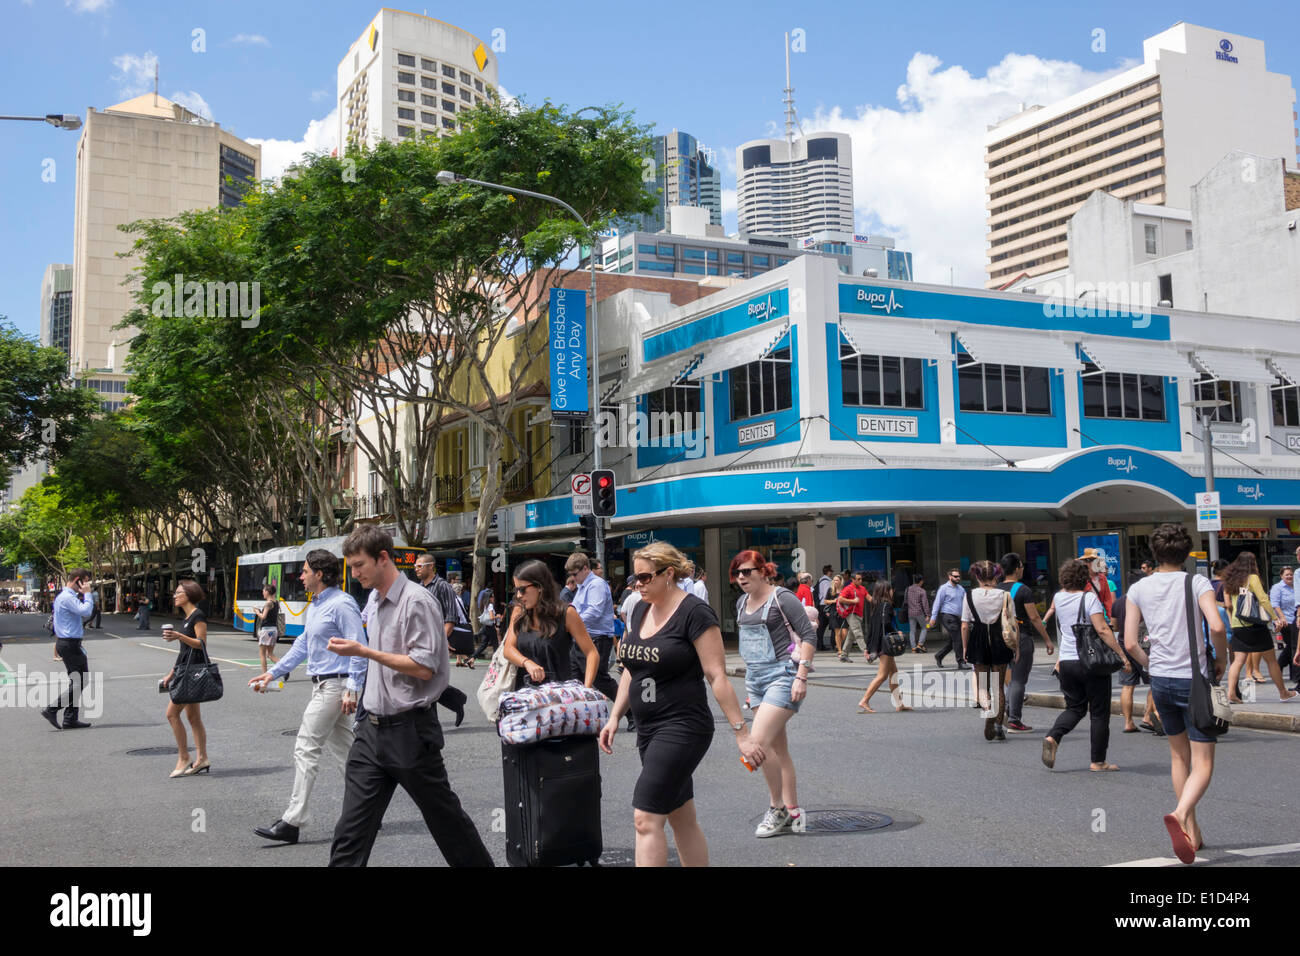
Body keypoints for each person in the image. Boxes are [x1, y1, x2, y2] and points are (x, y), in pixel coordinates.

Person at [325, 525, 493, 868]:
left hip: (410, 732)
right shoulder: (373, 599)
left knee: (447, 822)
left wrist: (365, 652)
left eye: (359, 565)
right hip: (370, 731)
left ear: (383, 558)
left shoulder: (418, 601)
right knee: (351, 830)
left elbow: (424, 667)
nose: (354, 574)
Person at [598, 542, 764, 866]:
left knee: (645, 818)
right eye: (635, 578)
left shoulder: (694, 613)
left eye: (646, 577)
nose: (638, 584)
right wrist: (615, 715)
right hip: (648, 730)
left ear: (668, 574)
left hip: (683, 728)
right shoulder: (640, 608)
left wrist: (742, 734)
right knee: (681, 818)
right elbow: (633, 668)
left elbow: (716, 676)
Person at [1124, 523, 1229, 863]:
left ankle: (1192, 832)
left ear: (1154, 554)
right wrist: (1221, 662)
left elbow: (1129, 642)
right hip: (1193, 680)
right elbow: (1216, 626)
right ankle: (1181, 814)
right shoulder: (1196, 582)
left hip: (1161, 680)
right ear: (1186, 553)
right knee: (1204, 762)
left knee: (1178, 757)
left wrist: (1151, 664)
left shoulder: (1139, 588)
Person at [248, 550, 368, 845]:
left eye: (304, 571)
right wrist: (272, 674)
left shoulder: (342, 604)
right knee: (348, 756)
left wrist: (353, 688)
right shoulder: (316, 605)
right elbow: (302, 645)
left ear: (320, 573)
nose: (300, 576)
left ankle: (293, 821)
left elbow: (359, 646)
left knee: (306, 747)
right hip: (325, 686)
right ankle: (366, 813)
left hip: (335, 687)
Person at [730, 550, 817, 836]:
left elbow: (808, 635)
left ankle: (776, 808)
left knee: (758, 744)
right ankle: (792, 810)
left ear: (764, 571)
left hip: (783, 674)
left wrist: (801, 677)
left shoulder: (783, 598)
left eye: (748, 571)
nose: (742, 577)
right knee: (779, 749)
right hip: (755, 678)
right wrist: (750, 686)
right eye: (738, 573)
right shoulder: (741, 603)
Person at [1041, 559, 1130, 772]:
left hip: (1067, 662)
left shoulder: (1058, 597)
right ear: (1083, 579)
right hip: (1090, 662)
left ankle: (1054, 736)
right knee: (1099, 712)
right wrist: (1121, 655)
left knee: (1075, 707)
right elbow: (1102, 630)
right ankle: (1098, 761)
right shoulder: (1089, 598)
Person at [502, 559, 600, 690]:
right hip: (524, 698)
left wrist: (586, 688)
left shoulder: (567, 613)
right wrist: (527, 663)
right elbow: (508, 649)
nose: (519, 595)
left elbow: (592, 652)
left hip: (558, 697)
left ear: (540, 587)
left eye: (522, 589)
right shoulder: (519, 611)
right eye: (516, 590)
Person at [1222, 552, 1296, 704]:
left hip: (1238, 624)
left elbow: (1230, 603)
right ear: (1252, 564)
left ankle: (1231, 693)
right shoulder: (1252, 578)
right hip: (1254, 624)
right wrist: (1275, 618)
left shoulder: (1232, 580)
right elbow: (1262, 599)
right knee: (1271, 661)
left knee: (1238, 661)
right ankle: (1283, 692)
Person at [958, 561, 1016, 740]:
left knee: (983, 684)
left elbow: (965, 625)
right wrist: (1017, 647)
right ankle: (999, 726)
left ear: (977, 576)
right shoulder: (1005, 595)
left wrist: (965, 647)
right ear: (996, 576)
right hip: (1000, 639)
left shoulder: (969, 595)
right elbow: (1012, 622)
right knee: (999, 686)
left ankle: (988, 710)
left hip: (978, 638)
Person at [160, 580, 212, 777]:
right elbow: (184, 652)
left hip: (193, 674)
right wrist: (172, 673)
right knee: (193, 718)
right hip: (186, 671)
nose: (174, 596)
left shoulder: (198, 616)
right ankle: (202, 758)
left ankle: (184, 757)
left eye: (178, 593)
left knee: (171, 714)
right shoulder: (187, 618)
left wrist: (179, 636)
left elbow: (201, 644)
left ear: (188, 595)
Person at [999, 553, 1055, 733]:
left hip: (1000, 638)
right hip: (1020, 637)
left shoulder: (996, 589)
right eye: (1021, 566)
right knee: (1018, 680)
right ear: (1016, 569)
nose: (1022, 569)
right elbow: (1034, 617)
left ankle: (1004, 715)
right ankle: (1014, 720)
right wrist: (1047, 639)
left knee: (1004, 678)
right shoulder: (1023, 590)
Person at [412, 555, 470, 726]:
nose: (416, 569)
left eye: (420, 566)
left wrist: (440, 641)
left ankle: (431, 722)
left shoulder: (442, 586)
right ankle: (456, 700)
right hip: (421, 639)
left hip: (435, 640)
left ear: (431, 567)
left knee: (426, 679)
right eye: (415, 566)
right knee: (425, 679)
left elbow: (451, 617)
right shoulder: (418, 588)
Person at [40, 568, 96, 731]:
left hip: (70, 643)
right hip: (69, 644)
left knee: (77, 681)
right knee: (81, 681)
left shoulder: (67, 597)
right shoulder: (66, 597)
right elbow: (86, 611)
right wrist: (88, 594)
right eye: (84, 581)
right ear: (77, 579)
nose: (86, 585)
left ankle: (70, 719)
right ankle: (52, 709)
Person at [564, 551, 620, 702]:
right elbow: (574, 610)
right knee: (575, 679)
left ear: (585, 569)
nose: (573, 579)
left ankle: (631, 712)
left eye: (575, 574)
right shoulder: (582, 586)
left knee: (598, 679)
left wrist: (573, 624)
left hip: (597, 638)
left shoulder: (596, 585)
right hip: (583, 638)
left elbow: (594, 611)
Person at [1113, 573, 1163, 736]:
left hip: (1123, 647)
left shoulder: (1118, 602)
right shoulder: (1144, 601)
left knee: (1128, 686)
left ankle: (1128, 722)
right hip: (1143, 647)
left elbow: (1115, 626)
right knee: (1154, 684)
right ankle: (1149, 716)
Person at [856, 581, 910, 713]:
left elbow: (873, 628)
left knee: (893, 674)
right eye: (891, 589)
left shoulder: (876, 605)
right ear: (887, 591)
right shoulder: (887, 605)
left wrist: (868, 647)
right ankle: (864, 700)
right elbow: (886, 623)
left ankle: (899, 704)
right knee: (882, 676)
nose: (893, 591)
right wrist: (897, 632)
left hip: (881, 644)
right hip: (886, 645)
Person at [930, 568, 970, 669]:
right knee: (958, 638)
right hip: (947, 616)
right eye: (955, 576)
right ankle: (961, 662)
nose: (958, 578)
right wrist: (933, 617)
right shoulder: (944, 588)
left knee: (953, 640)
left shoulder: (961, 589)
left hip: (958, 617)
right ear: (950, 577)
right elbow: (937, 603)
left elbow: (966, 603)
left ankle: (939, 655)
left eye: (959, 576)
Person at [1268, 567, 1297, 689]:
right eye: (1287, 575)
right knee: (1291, 646)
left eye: (1291, 574)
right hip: (1285, 622)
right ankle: (1279, 666)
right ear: (1281, 576)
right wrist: (1282, 617)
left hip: (1295, 620)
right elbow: (1275, 604)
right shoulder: (1277, 588)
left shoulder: (1295, 586)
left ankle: (1292, 674)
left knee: (1292, 647)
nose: (1289, 577)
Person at [836, 571, 868, 662]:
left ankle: (843, 655)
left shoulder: (862, 588)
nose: (860, 580)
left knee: (851, 635)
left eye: (861, 579)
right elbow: (840, 599)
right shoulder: (848, 588)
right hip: (851, 614)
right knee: (858, 634)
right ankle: (867, 653)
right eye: (858, 579)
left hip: (859, 614)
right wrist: (853, 601)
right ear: (852, 580)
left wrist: (878, 601)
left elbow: (869, 598)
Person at [254, 584, 280, 674]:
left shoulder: (268, 603)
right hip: (274, 630)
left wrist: (257, 611)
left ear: (268, 592)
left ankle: (264, 674)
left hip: (266, 630)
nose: (262, 592)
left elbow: (263, 617)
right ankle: (284, 669)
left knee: (262, 654)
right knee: (270, 654)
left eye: (264, 590)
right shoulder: (276, 602)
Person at [471, 587, 501, 660]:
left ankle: (472, 658)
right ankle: (496, 659)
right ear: (489, 598)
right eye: (492, 596)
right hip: (490, 627)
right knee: (495, 644)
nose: (494, 598)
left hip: (486, 626)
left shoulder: (485, 605)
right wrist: (497, 616)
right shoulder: (490, 605)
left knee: (483, 644)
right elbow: (491, 617)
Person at [905, 573, 930, 653]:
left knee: (912, 630)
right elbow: (925, 604)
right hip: (919, 613)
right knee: (925, 627)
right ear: (921, 581)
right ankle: (920, 644)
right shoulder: (922, 591)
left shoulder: (908, 589)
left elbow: (906, 601)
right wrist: (927, 615)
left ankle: (913, 648)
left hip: (910, 613)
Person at [815, 565, 835, 651]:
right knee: (833, 624)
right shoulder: (827, 581)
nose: (832, 573)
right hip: (826, 605)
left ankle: (819, 645)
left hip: (821, 605)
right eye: (831, 571)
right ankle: (833, 644)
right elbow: (826, 594)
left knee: (821, 627)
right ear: (829, 572)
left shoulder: (820, 580)